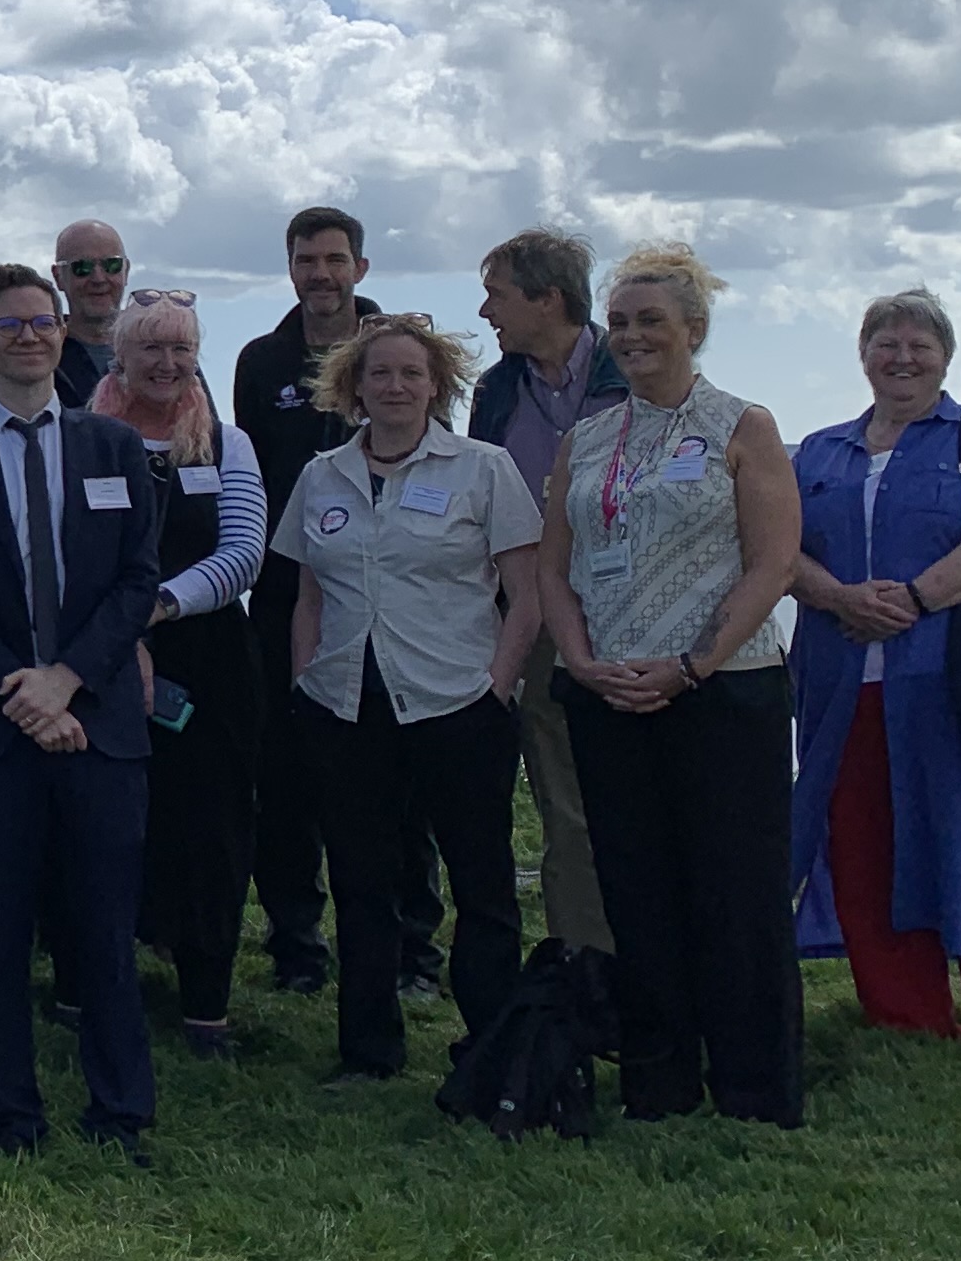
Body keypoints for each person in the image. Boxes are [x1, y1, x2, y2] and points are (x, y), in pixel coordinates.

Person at [534, 244, 806, 1127]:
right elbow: (554, 564)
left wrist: (694, 664)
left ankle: (753, 1089)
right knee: (636, 894)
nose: (633, 336)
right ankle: (657, 1083)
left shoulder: (740, 425)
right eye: (620, 323)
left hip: (724, 692)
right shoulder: (587, 438)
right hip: (611, 692)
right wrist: (576, 658)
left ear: (695, 329)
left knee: (735, 895)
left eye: (652, 320)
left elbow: (773, 563)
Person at [0, 267, 164, 1158]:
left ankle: (121, 1111)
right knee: (2, 929)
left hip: (99, 722)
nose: (28, 336)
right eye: (8, 324)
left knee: (104, 925)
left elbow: (138, 580)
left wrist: (67, 680)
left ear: (63, 334)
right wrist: (25, 692)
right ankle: (10, 1115)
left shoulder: (114, 448)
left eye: (42, 322)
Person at [790, 292, 961, 1083]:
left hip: (955, 680)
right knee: (866, 845)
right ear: (863, 353)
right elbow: (778, 545)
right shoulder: (821, 451)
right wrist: (842, 598)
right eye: (885, 343)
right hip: (845, 683)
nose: (901, 357)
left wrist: (912, 599)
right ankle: (908, 1018)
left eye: (918, 344)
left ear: (945, 356)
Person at [273, 315, 542, 1083]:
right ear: (353, 387)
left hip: (456, 701)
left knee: (480, 883)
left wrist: (497, 685)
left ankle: (492, 1049)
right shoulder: (322, 474)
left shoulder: (482, 469)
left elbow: (525, 597)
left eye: (411, 374)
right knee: (361, 884)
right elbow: (308, 595)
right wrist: (304, 680)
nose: (395, 387)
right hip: (346, 707)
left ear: (437, 386)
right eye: (379, 374)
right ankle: (369, 1050)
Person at [90, 289, 265, 1058]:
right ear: (118, 358)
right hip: (97, 658)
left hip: (207, 660)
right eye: (150, 349)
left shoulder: (230, 446)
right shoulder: (82, 440)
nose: (166, 364)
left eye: (182, 349)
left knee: (209, 830)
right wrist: (116, 633)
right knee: (105, 828)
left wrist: (154, 610)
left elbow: (242, 556)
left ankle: (206, 1002)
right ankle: (93, 985)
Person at [231, 204, 384, 998]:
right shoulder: (261, 361)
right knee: (284, 777)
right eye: (305, 261)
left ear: (360, 266)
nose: (320, 274)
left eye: (333, 259)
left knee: (393, 779)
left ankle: (410, 950)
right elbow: (251, 477)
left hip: (393, 597)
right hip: (287, 592)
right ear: (290, 269)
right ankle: (295, 944)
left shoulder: (398, 350)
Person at [469, 228, 624, 956]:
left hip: (636, 616)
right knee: (565, 806)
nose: (484, 312)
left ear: (548, 299)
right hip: (536, 620)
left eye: (497, 295)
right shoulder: (498, 390)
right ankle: (584, 965)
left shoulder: (632, 370)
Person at [45, 220, 132, 401]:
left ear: (126, 271)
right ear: (58, 276)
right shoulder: (35, 353)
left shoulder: (162, 349)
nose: (99, 278)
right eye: (82, 268)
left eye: (111, 265)